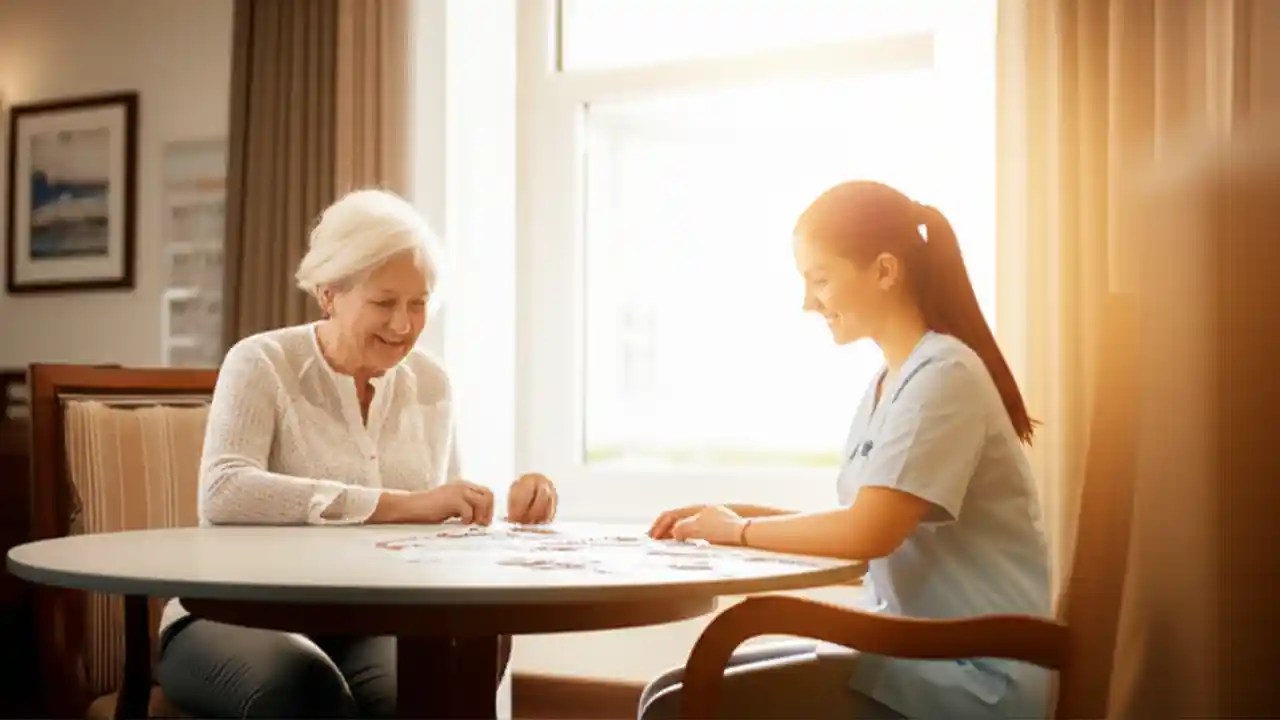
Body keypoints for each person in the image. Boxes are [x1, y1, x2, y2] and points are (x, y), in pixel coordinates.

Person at [639, 181, 1052, 719]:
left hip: (970, 676)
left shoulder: (945, 375)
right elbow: (864, 521)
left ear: (884, 270)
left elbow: (868, 533)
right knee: (669, 691)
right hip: (916, 653)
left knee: (676, 707)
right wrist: (734, 516)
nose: (808, 303)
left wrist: (737, 531)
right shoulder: (893, 380)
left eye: (820, 280)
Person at [155, 189, 558, 718]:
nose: (404, 325)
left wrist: (508, 508)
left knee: (446, 675)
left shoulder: (431, 381)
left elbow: (444, 523)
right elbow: (225, 492)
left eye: (419, 303)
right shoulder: (261, 362)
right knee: (305, 689)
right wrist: (397, 504)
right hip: (232, 619)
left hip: (370, 624)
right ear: (329, 294)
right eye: (384, 302)